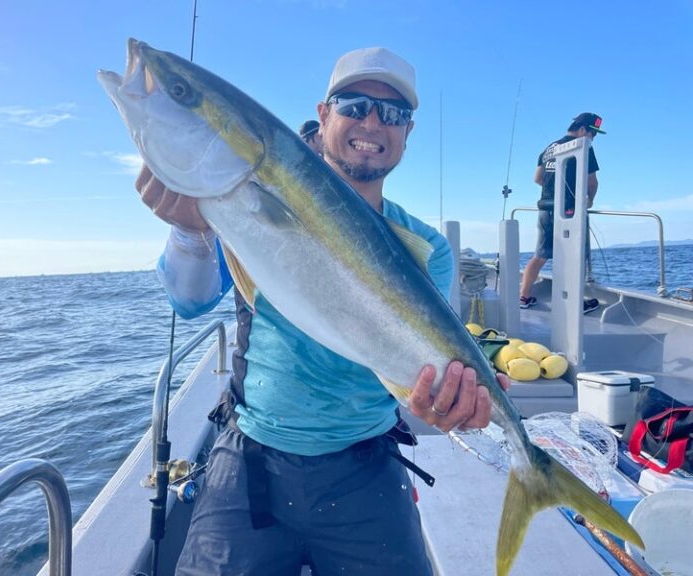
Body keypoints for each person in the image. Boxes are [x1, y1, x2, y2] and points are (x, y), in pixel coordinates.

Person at [136, 47, 509, 576]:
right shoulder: (247, 198)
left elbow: (406, 365)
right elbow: (190, 301)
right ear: (325, 112)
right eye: (355, 105)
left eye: (393, 114)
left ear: (408, 133)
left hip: (365, 467)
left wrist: (438, 401)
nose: (373, 123)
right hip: (250, 460)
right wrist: (190, 230)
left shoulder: (425, 247)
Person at [519, 112, 605, 313]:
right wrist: (588, 200)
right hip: (569, 212)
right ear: (583, 129)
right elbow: (592, 181)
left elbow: (538, 178)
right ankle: (575, 304)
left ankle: (523, 297)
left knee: (540, 255)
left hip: (546, 209)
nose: (593, 138)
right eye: (593, 133)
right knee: (575, 256)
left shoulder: (549, 148)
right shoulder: (583, 147)